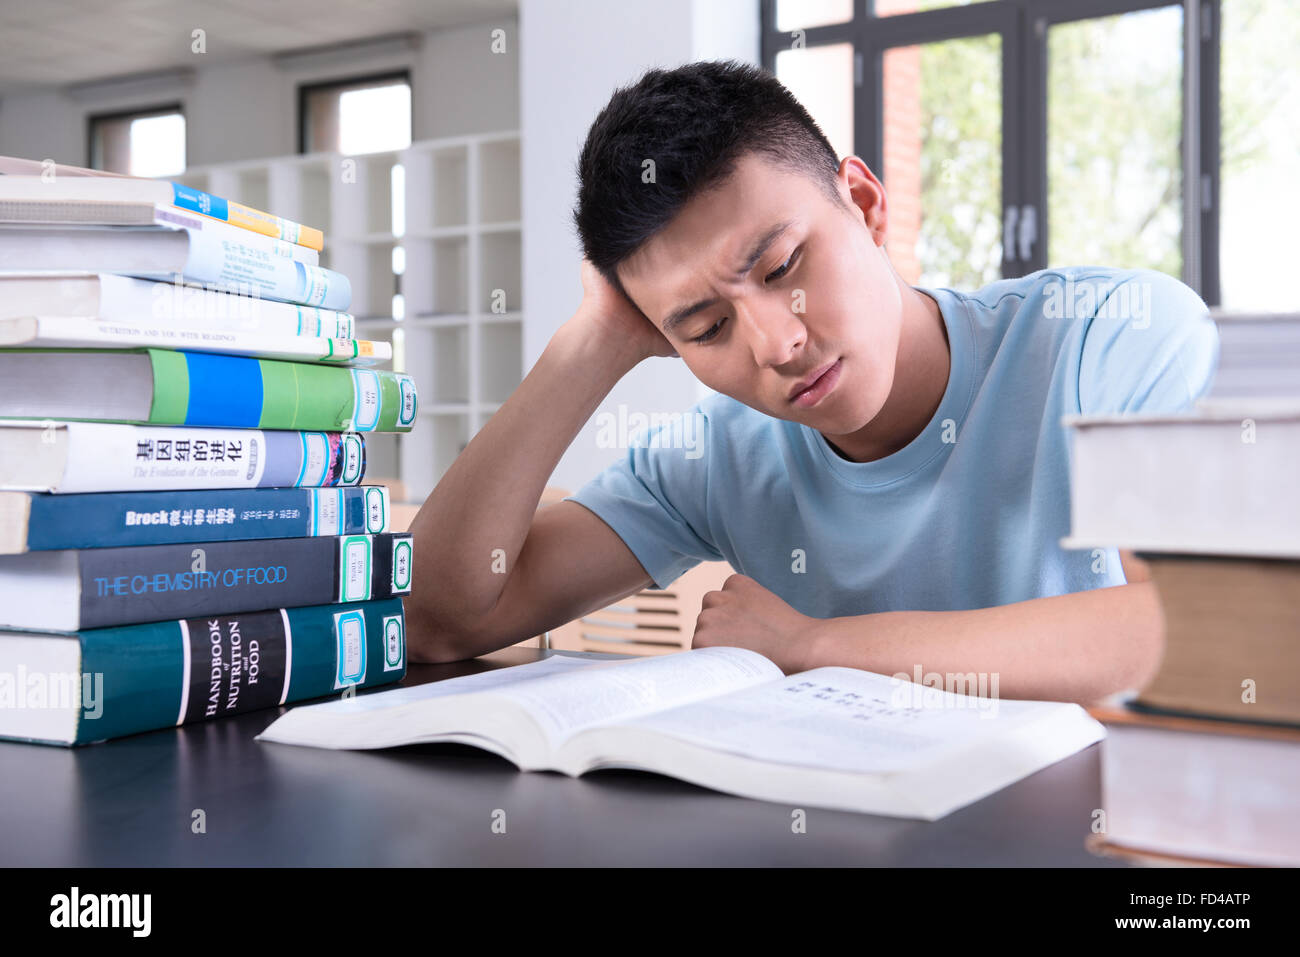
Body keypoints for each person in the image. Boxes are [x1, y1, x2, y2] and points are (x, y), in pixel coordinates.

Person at [404, 59, 1219, 704]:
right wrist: (590, 345)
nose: (778, 341)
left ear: (863, 202)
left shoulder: (1108, 336)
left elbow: (1183, 624)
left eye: (782, 265)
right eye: (704, 327)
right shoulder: (718, 456)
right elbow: (439, 620)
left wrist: (810, 647)